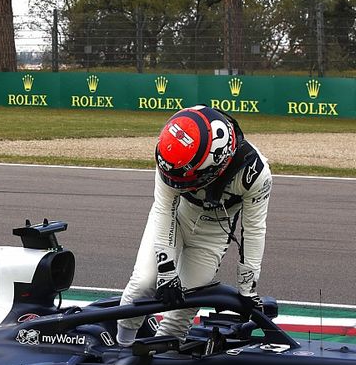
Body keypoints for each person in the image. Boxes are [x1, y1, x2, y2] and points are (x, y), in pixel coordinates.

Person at [115, 104, 272, 346]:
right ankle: (120, 346)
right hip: (173, 217)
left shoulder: (255, 174)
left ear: (217, 165)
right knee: (143, 283)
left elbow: (253, 230)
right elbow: (163, 208)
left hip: (213, 234)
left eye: (187, 179)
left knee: (184, 308)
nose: (174, 182)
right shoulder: (171, 156)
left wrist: (248, 288)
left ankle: (162, 364)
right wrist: (167, 271)